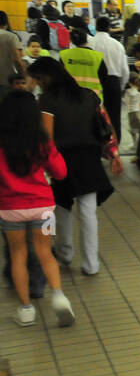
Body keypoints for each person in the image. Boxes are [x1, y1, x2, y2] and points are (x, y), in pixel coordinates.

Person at [27, 58, 119, 278]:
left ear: (47, 77)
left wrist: (43, 165)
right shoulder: (88, 95)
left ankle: (65, 254)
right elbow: (106, 126)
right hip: (89, 159)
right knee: (88, 212)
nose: (38, 83)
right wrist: (114, 154)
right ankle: (91, 264)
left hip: (61, 160)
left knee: (62, 209)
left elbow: (47, 138)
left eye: (38, 79)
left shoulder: (47, 100)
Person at [0, 91, 74, 327]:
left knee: (18, 256)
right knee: (45, 252)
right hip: (44, 207)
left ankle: (26, 310)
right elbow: (61, 172)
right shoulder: (42, 142)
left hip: (10, 208)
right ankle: (59, 297)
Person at [91, 16, 129, 140]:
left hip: (94, 83)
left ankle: (99, 147)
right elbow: (125, 71)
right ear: (109, 28)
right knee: (114, 117)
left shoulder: (90, 43)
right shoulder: (117, 45)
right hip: (114, 82)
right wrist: (121, 86)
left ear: (96, 27)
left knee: (96, 116)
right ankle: (115, 146)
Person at [0, 13, 21, 103]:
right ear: (6, 22)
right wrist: (22, 74)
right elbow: (17, 59)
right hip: (7, 79)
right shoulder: (11, 36)